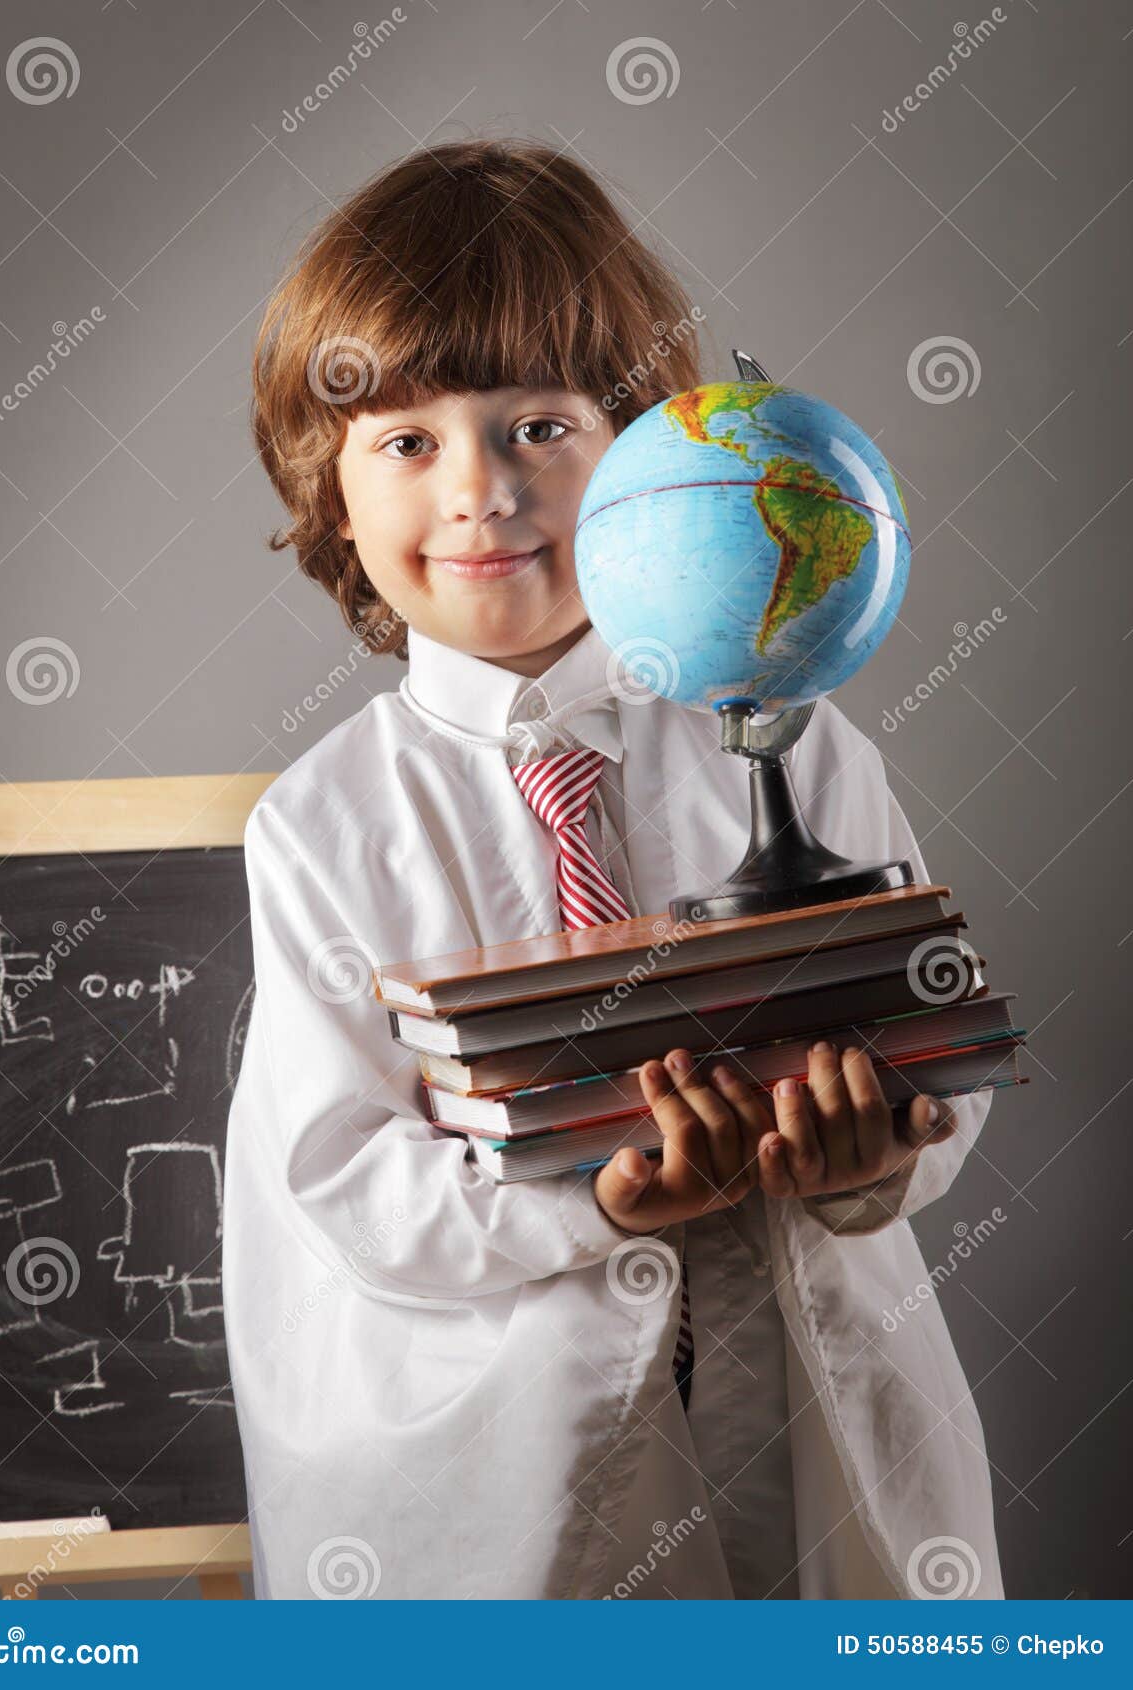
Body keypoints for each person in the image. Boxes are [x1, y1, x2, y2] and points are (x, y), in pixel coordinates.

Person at [222, 137, 1003, 1601]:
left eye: (538, 426)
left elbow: (930, 1032)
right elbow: (344, 1173)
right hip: (506, 1469)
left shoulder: (787, 726)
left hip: (795, 1409)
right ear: (329, 487)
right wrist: (597, 1200)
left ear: (647, 452)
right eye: (407, 442)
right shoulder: (323, 823)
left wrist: (879, 1154)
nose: (480, 492)